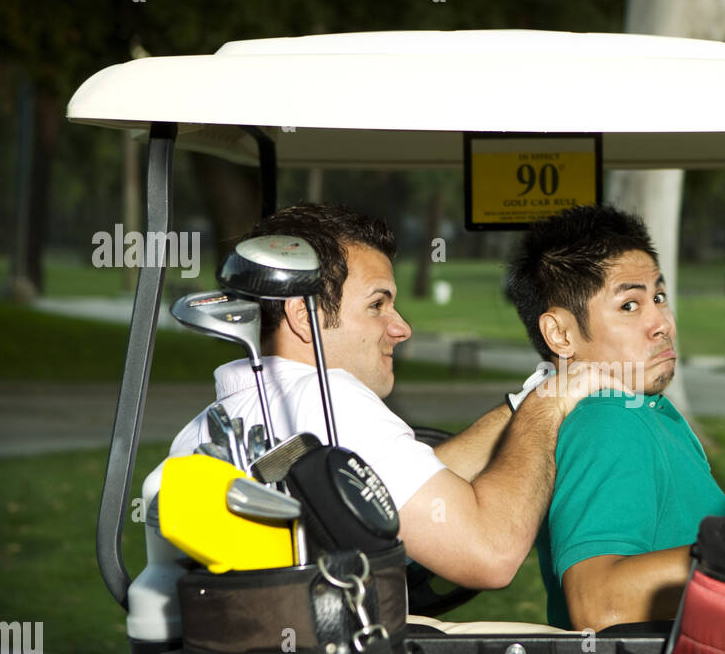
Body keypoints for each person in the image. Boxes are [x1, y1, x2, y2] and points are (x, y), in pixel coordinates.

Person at [170, 202, 608, 589]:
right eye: (377, 305)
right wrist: (548, 407)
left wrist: (526, 401)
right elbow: (490, 552)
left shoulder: (200, 430)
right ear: (303, 316)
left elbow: (407, 495)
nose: (402, 328)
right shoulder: (330, 399)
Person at [505, 205, 725, 632]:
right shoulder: (607, 422)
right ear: (561, 335)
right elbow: (598, 603)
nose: (662, 323)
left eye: (659, 297)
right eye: (630, 305)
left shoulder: (647, 413)